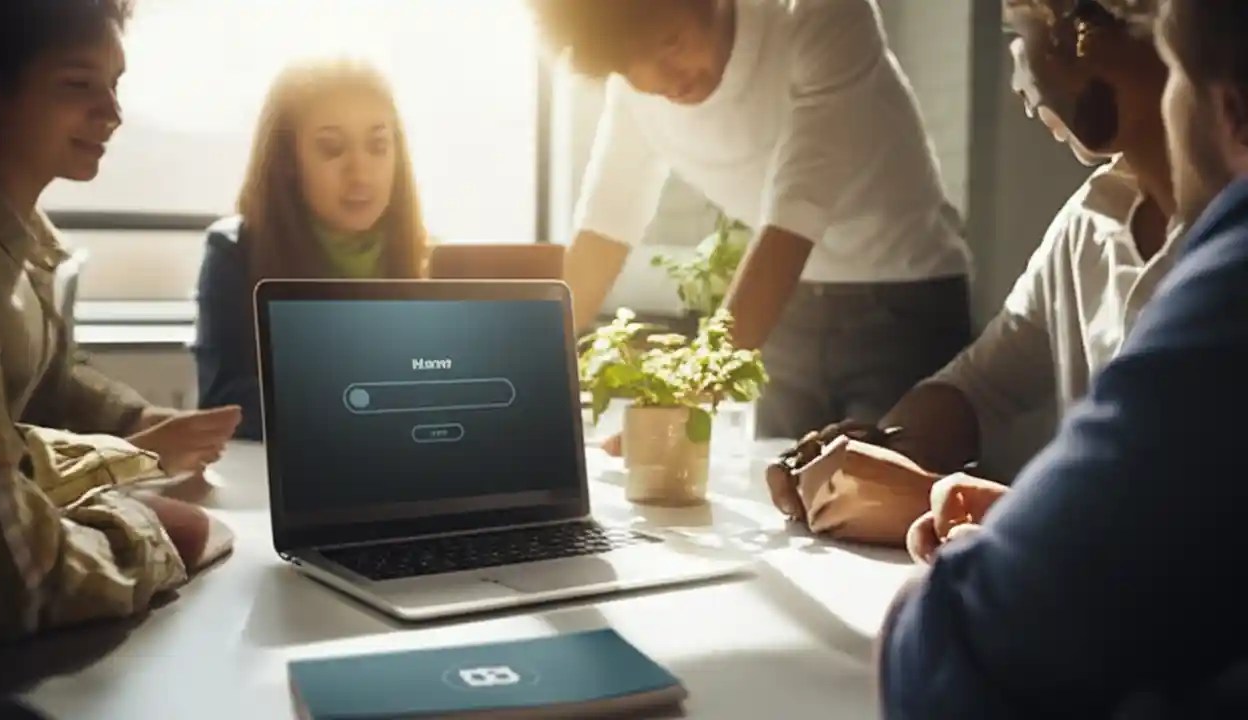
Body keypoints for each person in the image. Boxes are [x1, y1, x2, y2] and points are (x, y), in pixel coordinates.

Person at [879, 0, 1248, 715]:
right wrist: (1044, 520)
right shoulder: (1089, 218)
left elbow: (949, 653)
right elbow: (982, 379)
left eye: (1174, 71)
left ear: (1229, 112)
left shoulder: (1227, 277)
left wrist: (1023, 559)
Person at [765, 0, 1179, 544]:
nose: (1019, 79)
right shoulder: (1089, 223)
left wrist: (946, 506)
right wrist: (881, 452)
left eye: (1021, 31)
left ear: (1093, 35)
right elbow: (982, 383)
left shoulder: (1224, 243)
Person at [525, 0, 974, 440]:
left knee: (887, 498)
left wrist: (678, 406)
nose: (656, 80)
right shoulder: (635, 91)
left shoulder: (819, 14)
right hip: (786, 310)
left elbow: (794, 213)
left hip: (905, 303)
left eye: (670, 42)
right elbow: (605, 225)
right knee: (781, 494)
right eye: (627, 65)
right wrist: (527, 383)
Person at [0, 0, 240, 644]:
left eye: (114, 85)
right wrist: (167, 533)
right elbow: (21, 578)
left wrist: (136, 425)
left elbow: (48, 374)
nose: (112, 114)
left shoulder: (22, 236)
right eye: (78, 85)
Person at [193, 58, 428, 441]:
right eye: (332, 149)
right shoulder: (234, 251)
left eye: (378, 146)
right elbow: (226, 404)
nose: (360, 172)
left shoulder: (429, 257)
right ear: (287, 161)